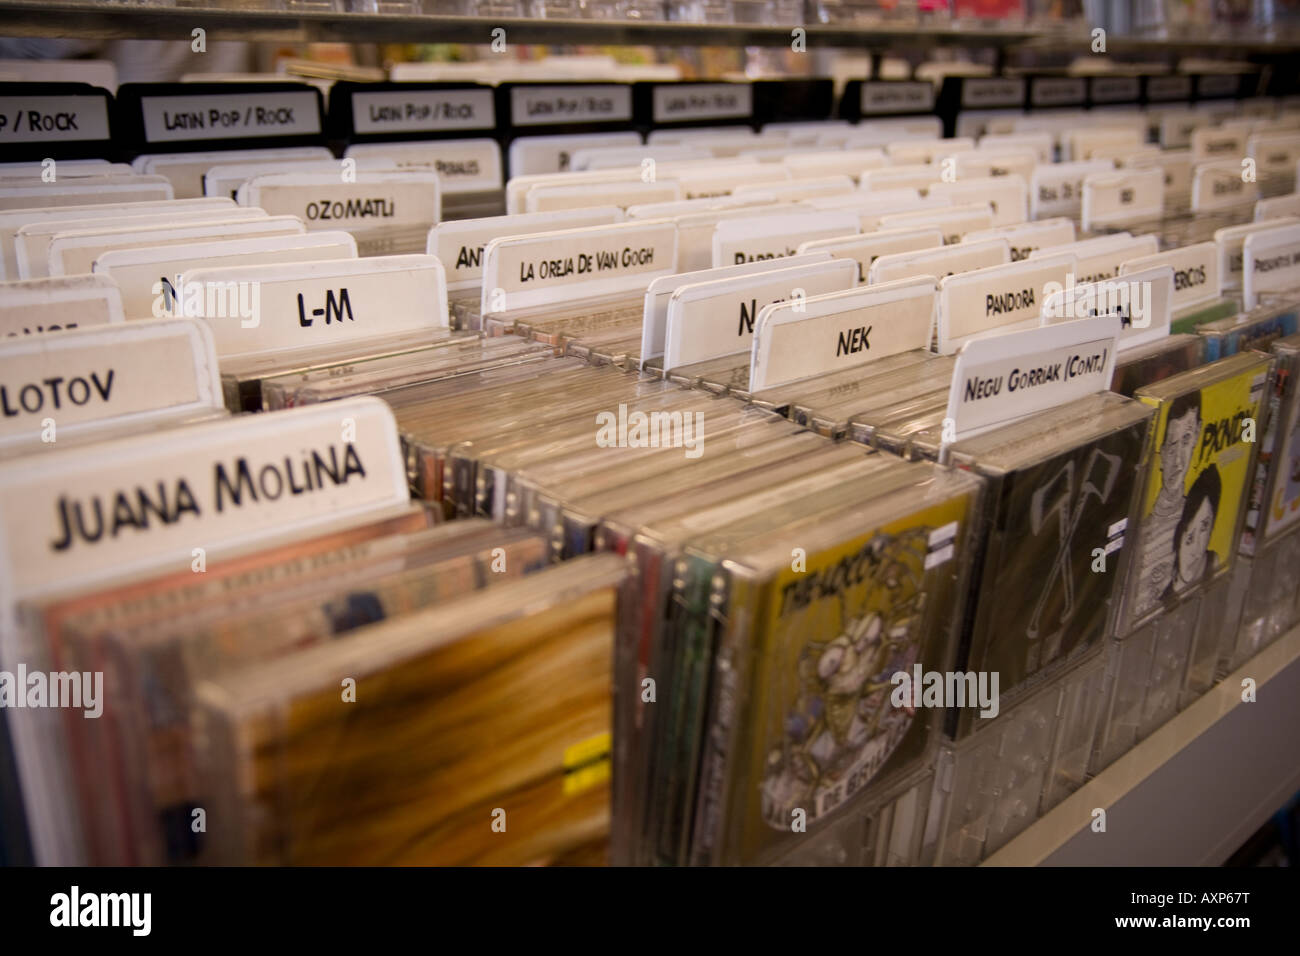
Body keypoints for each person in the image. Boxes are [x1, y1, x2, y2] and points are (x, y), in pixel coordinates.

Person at [1135, 390, 1201, 615]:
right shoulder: (1137, 529)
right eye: (1171, 446)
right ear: (1161, 452)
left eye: (1186, 440)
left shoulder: (1199, 518)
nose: (1179, 460)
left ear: (1197, 437)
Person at [1165, 464, 1222, 601]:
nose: (1196, 550)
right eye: (1189, 538)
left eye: (1204, 528)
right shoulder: (1159, 593)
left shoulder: (1214, 563)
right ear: (1178, 540)